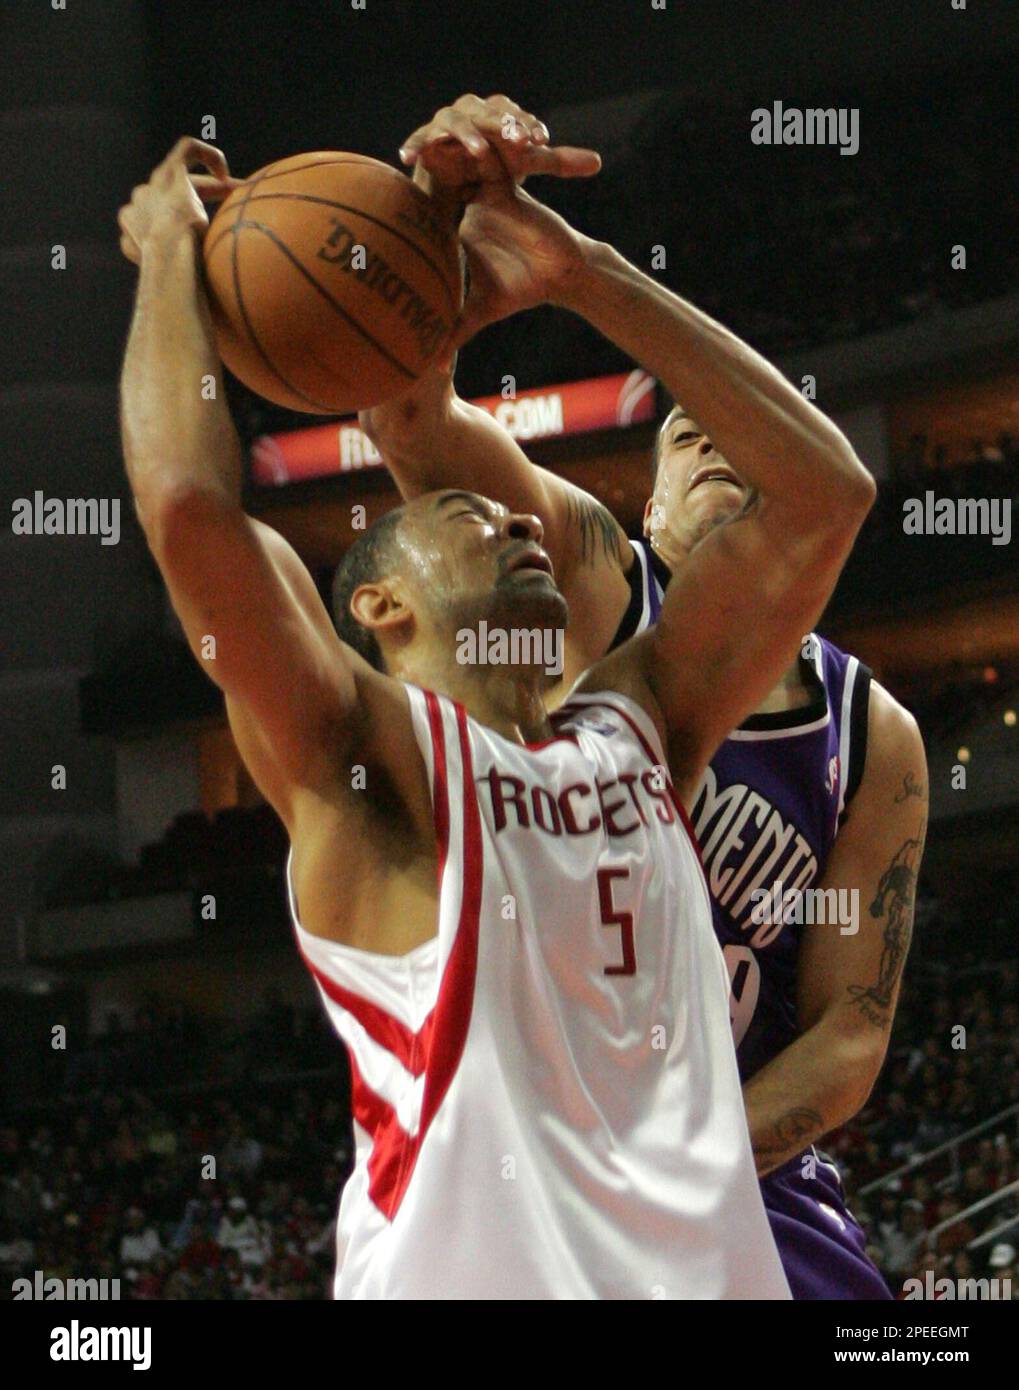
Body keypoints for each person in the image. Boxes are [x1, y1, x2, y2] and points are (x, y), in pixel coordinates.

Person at [117, 135, 873, 1298]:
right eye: (467, 515)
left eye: (514, 515)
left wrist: (581, 271)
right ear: (376, 602)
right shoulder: (361, 761)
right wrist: (170, 252)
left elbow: (825, 494)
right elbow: (184, 505)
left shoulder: (643, 721)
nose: (518, 522)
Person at [362, 93, 930, 1298]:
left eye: (742, 425)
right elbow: (407, 412)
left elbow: (846, 1034)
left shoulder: (870, 730)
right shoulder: (589, 579)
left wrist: (683, 1164)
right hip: (538, 1155)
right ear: (650, 504)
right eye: (686, 435)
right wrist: (425, 229)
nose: (719, 443)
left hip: (745, 1182)